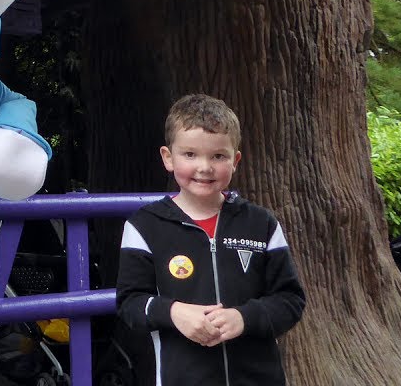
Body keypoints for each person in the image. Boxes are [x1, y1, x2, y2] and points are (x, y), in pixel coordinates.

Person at [116, 94, 305, 385]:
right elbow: (130, 303)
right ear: (168, 157)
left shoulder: (262, 224)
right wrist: (174, 312)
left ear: (235, 160)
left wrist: (245, 318)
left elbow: (290, 300)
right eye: (190, 154)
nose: (204, 167)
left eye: (218, 156)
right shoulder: (144, 226)